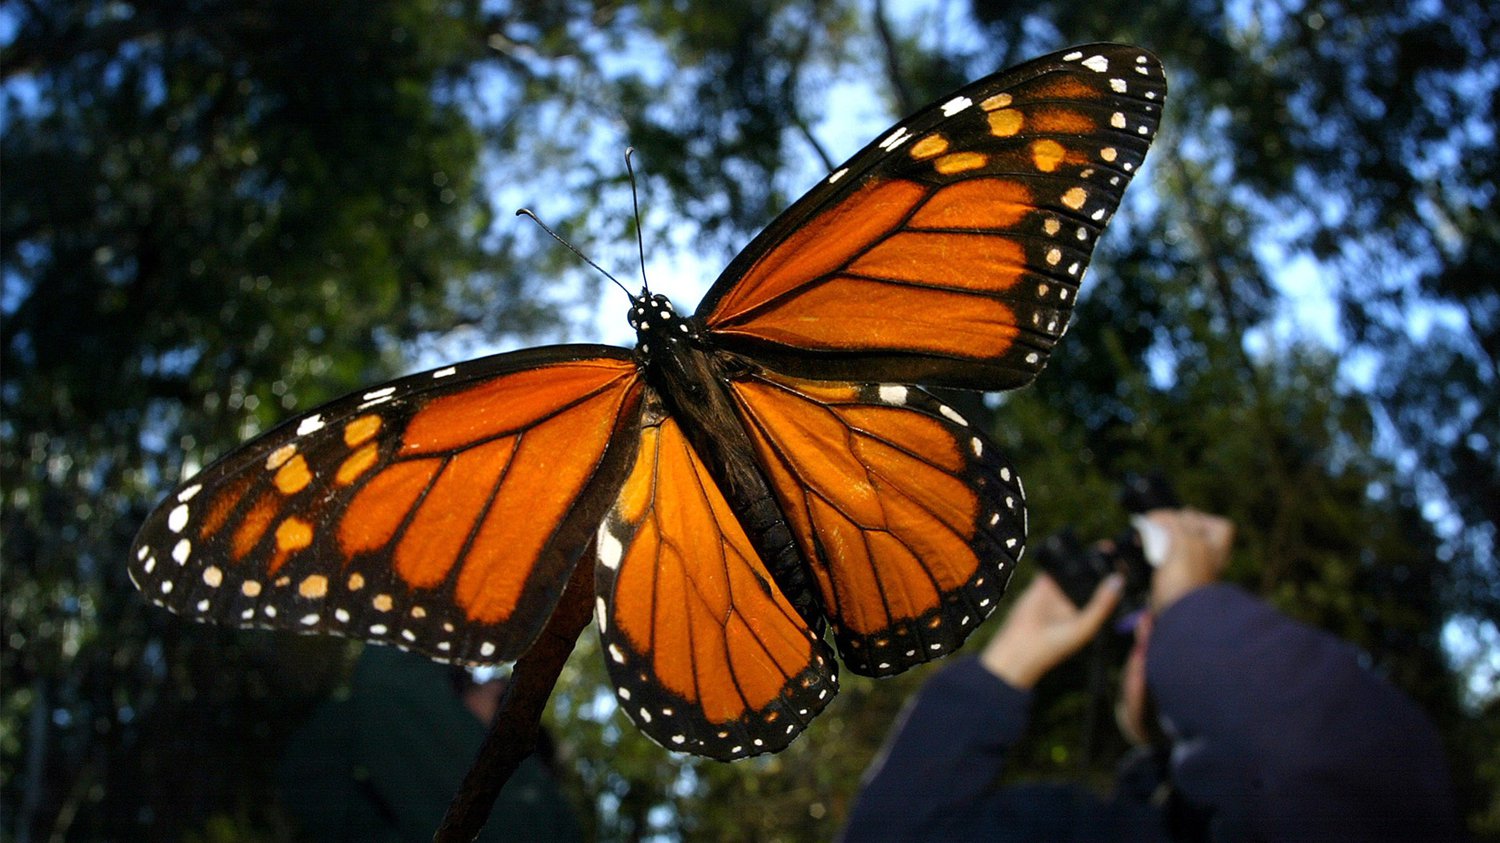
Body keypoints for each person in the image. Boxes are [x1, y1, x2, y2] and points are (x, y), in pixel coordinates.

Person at [842, 509, 1463, 842]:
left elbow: (1319, 759)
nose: (1149, 630)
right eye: (1143, 622)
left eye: (1155, 623)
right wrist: (1010, 661)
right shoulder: (1092, 826)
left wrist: (1189, 605)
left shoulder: (1317, 798)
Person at [278, 645, 582, 842]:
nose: (492, 682)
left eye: (503, 694)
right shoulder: (555, 821)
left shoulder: (506, 782)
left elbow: (386, 681)